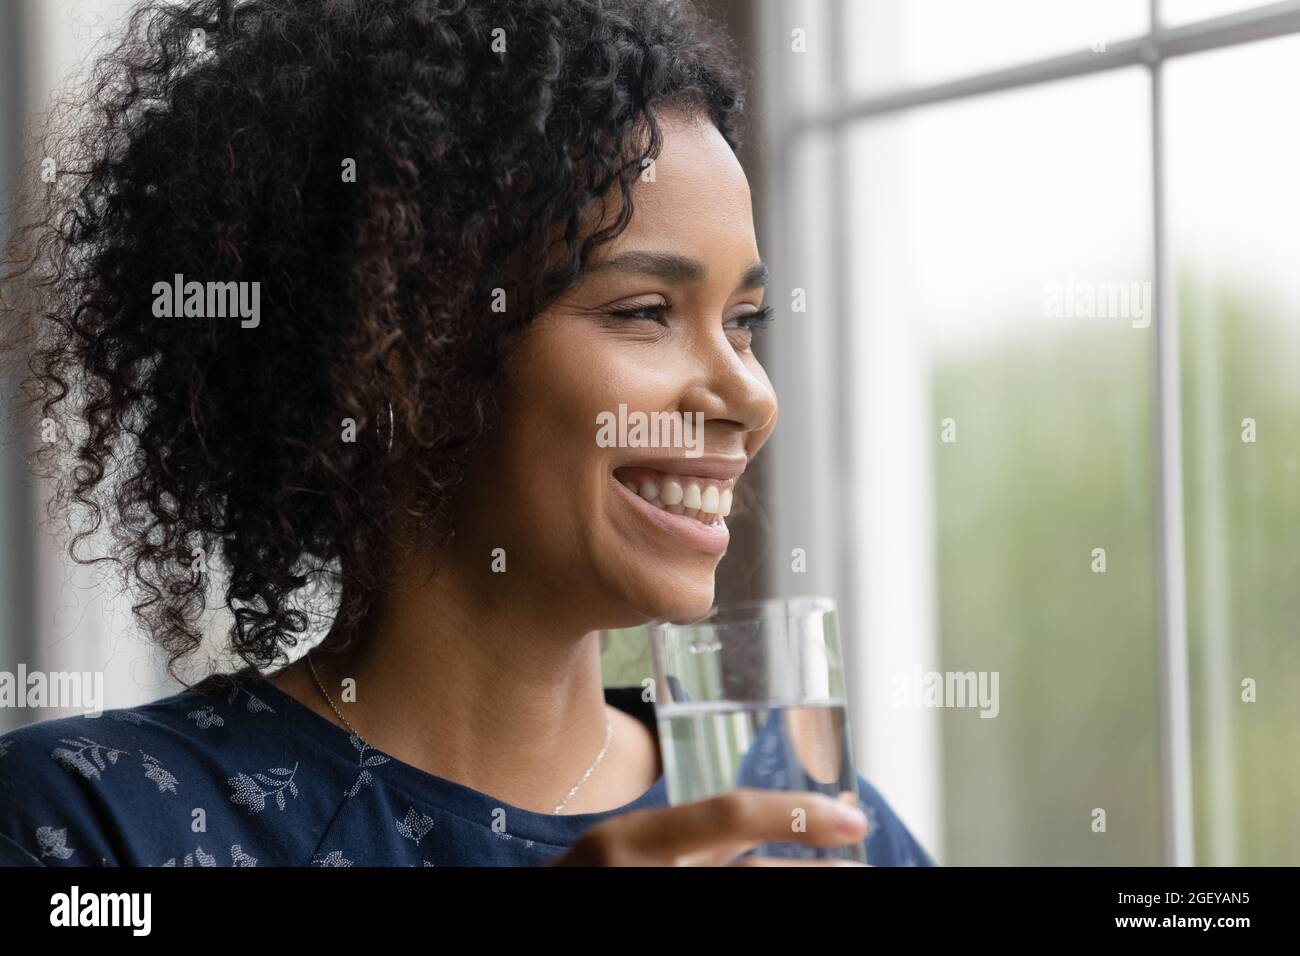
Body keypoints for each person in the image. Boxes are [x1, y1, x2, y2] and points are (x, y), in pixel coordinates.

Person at [0, 0, 934, 867]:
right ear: (404, 351)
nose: (751, 396)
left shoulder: (803, 825)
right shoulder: (88, 821)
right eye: (647, 311)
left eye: (744, 321)